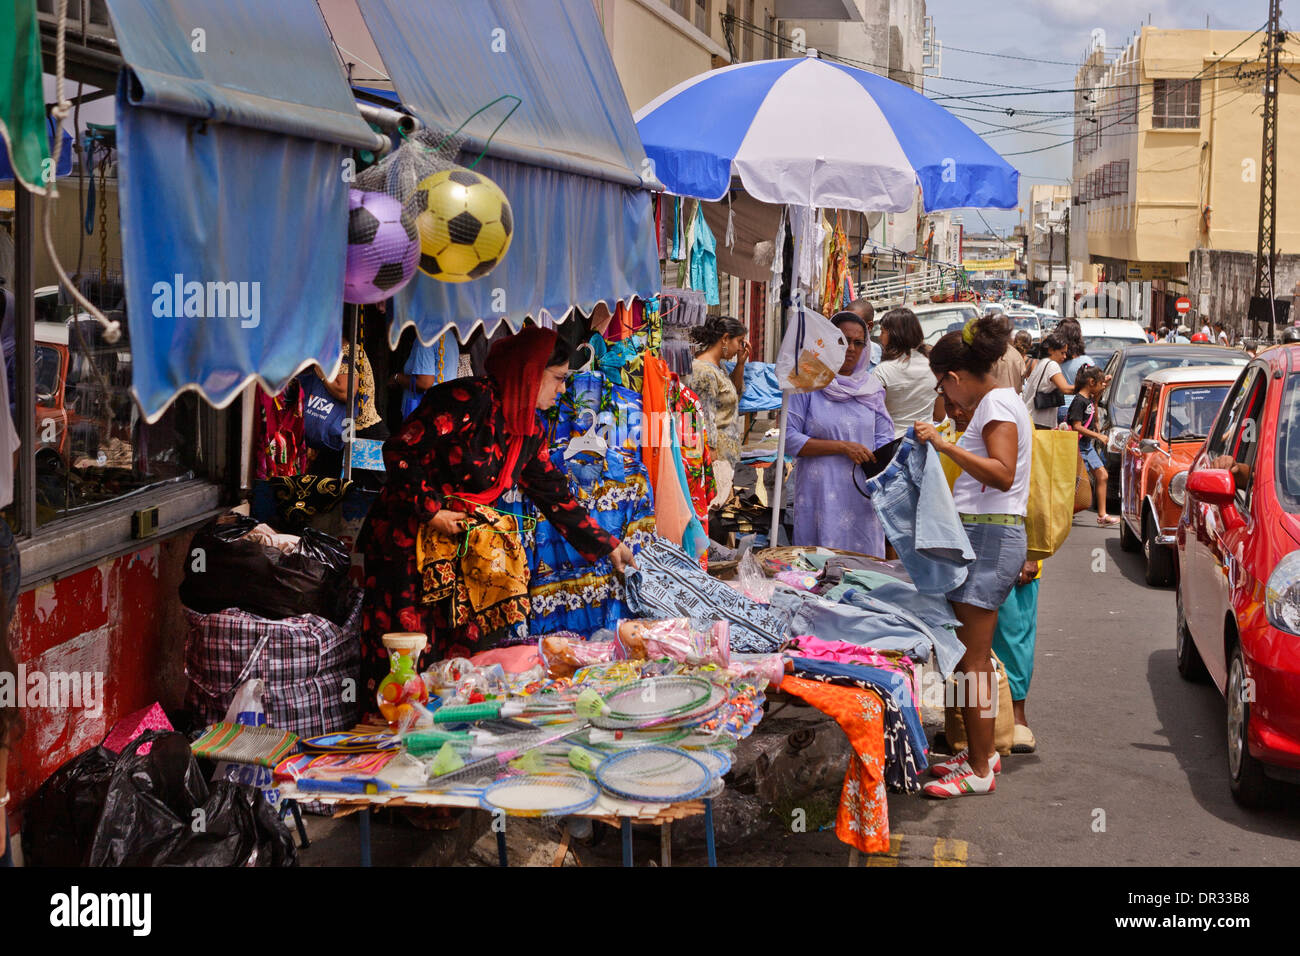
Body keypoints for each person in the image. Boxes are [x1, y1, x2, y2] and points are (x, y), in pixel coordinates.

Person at [358, 327, 637, 695]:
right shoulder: (466, 400)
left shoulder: (529, 429)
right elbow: (400, 450)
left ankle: (442, 730)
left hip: (462, 549)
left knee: (458, 655)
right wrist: (431, 511)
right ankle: (387, 735)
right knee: (406, 648)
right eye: (557, 379)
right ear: (529, 372)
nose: (562, 390)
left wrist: (609, 545)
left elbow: (554, 494)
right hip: (407, 543)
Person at [914, 314, 1032, 798]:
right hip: (984, 536)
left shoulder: (998, 402)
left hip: (990, 538)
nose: (947, 398)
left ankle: (980, 769)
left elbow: (1002, 473)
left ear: (954, 377)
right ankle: (978, 753)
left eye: (944, 387)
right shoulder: (995, 402)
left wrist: (945, 443)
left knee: (974, 662)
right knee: (966, 657)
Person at [786, 311, 895, 556]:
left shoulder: (871, 388)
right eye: (843, 340)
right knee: (818, 567)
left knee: (861, 569)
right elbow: (789, 439)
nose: (851, 349)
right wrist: (842, 447)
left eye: (858, 343)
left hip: (861, 495)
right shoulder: (807, 381)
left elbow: (884, 439)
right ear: (826, 340)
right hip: (819, 495)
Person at [304, 315, 390, 482]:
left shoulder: (346, 351)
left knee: (368, 493)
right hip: (343, 433)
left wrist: (321, 374)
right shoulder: (339, 351)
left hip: (363, 435)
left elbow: (344, 392)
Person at [687, 316, 748, 507]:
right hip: (716, 458)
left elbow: (734, 395)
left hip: (726, 457)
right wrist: (711, 464)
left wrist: (740, 364)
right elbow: (705, 417)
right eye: (739, 342)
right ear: (725, 338)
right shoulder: (704, 371)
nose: (740, 348)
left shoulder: (716, 367)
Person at [992, 558, 1041, 753]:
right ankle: (962, 719)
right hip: (966, 554)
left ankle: (1016, 715)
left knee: (1013, 633)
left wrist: (1029, 555)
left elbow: (1039, 526)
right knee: (962, 638)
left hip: (1011, 555)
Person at [871, 307, 936, 439]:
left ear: (894, 335)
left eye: (883, 332)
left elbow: (875, 416)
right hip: (928, 441)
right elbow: (940, 414)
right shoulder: (933, 366)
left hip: (894, 444)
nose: (879, 336)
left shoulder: (883, 371)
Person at [1066, 365, 1118, 525]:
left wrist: (1104, 383)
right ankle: (1063, 512)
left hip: (1087, 446)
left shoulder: (1088, 398)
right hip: (1078, 446)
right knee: (1075, 484)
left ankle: (1102, 515)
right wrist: (1098, 435)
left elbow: (1095, 402)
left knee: (1102, 475)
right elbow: (1076, 426)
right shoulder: (1078, 401)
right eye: (1100, 382)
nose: (1103, 385)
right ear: (1091, 382)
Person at [392, 335, 460, 420]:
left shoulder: (425, 337)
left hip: (425, 411)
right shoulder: (450, 336)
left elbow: (424, 383)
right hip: (445, 407)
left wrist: (397, 378)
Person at [1021, 333, 1077, 429]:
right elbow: (1066, 389)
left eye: (1065, 353)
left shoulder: (1041, 363)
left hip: (1030, 420)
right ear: (1051, 350)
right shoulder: (1052, 365)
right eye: (1062, 353)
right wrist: (1087, 387)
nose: (1064, 357)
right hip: (1040, 423)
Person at [844, 297, 883, 370]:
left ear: (869, 326)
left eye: (854, 322)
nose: (848, 327)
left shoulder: (882, 356)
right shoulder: (836, 353)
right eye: (845, 322)